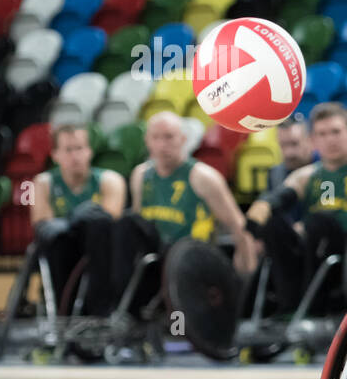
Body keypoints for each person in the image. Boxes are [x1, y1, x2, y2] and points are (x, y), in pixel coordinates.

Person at [110, 111, 257, 316]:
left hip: (192, 258)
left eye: (169, 137)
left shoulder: (203, 177)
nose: (162, 145)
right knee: (124, 224)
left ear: (183, 139)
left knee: (172, 255)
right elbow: (136, 228)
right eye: (156, 138)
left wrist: (245, 281)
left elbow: (239, 226)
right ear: (147, 142)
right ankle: (121, 312)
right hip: (155, 259)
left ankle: (178, 332)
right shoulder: (141, 175)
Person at [246, 102, 347, 312]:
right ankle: (287, 307)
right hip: (312, 250)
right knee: (273, 224)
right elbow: (273, 202)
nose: (330, 139)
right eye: (322, 134)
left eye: (336, 132)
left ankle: (312, 310)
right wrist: (255, 223)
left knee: (321, 223)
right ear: (313, 140)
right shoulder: (306, 175)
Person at [28, 123, 126, 315]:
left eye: (80, 148)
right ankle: (63, 315)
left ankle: (100, 313)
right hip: (62, 251)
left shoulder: (111, 180)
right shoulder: (41, 183)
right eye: (68, 150)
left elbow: (111, 217)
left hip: (99, 252)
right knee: (57, 238)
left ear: (89, 151)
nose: (75, 156)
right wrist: (80, 216)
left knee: (98, 226)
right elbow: (41, 222)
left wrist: (72, 220)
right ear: (55, 155)